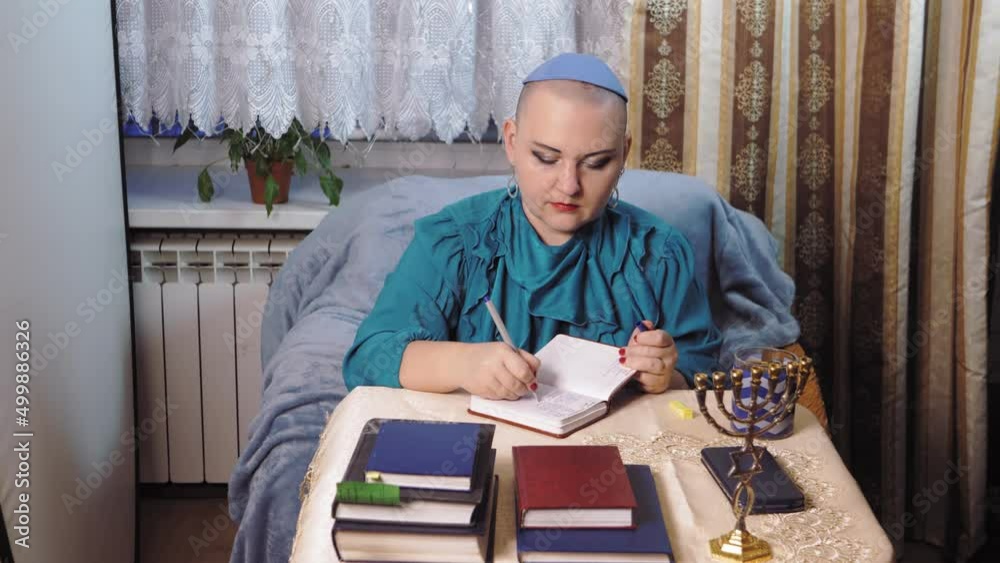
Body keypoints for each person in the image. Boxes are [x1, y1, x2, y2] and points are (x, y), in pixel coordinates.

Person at [343, 53, 720, 399]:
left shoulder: (660, 253)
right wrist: (461, 364)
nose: (569, 185)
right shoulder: (453, 242)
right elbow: (368, 358)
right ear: (511, 141)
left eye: (596, 162)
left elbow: (700, 367)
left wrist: (665, 375)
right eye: (546, 157)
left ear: (624, 154)